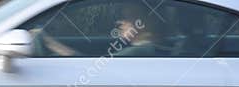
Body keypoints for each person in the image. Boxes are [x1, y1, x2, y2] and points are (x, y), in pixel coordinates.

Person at [34, 1, 164, 57]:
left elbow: (88, 69)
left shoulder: (139, 52)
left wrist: (48, 42)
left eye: (127, 17)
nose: (119, 22)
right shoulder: (153, 49)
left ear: (146, 22)